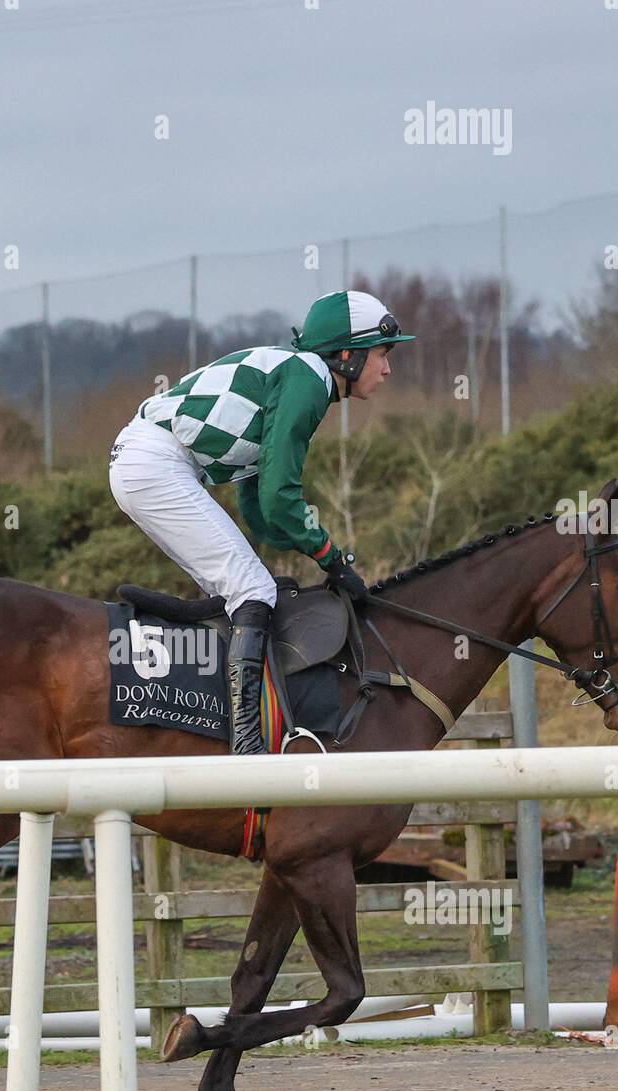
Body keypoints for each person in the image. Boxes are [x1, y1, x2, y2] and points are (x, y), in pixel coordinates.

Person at [109, 289, 415, 755]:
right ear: (348, 356)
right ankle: (248, 745)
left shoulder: (297, 373)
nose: (388, 369)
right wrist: (331, 557)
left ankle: (215, 717)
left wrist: (309, 553)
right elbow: (279, 496)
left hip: (148, 464)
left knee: (247, 589)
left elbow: (259, 504)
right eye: (381, 354)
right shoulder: (308, 380)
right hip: (155, 466)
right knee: (252, 590)